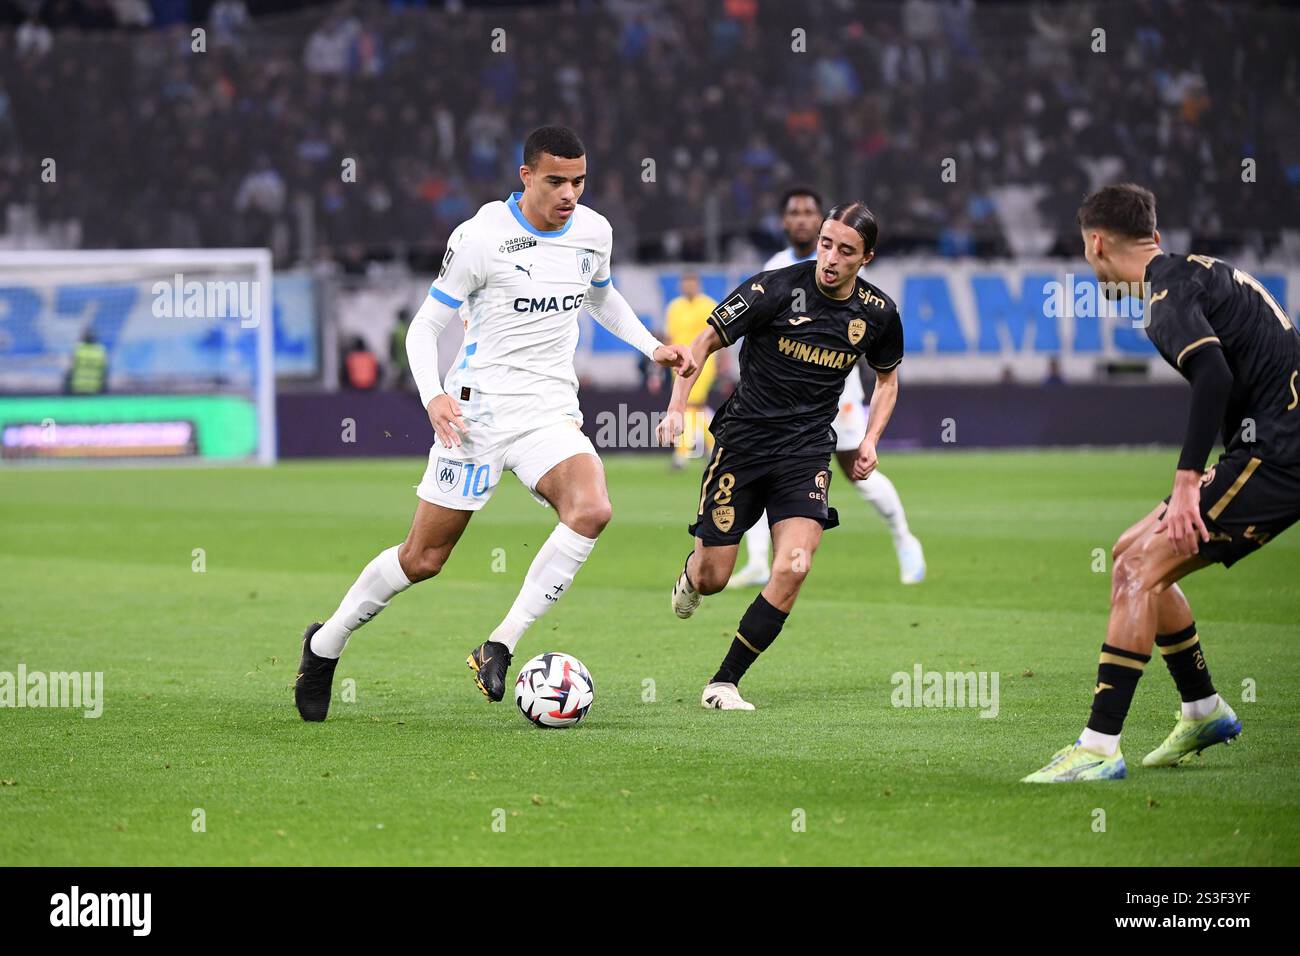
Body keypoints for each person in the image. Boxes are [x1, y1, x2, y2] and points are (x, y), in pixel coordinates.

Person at [294, 126, 695, 721]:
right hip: (476, 414)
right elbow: (424, 328)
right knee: (423, 560)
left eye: (579, 181)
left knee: (592, 510)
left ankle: (499, 644)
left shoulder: (594, 232)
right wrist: (431, 396)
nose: (569, 194)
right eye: (556, 180)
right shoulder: (481, 238)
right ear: (526, 176)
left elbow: (601, 297)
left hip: (549, 411)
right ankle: (325, 645)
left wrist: (652, 346)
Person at [1023, 183, 1300, 782]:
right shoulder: (1198, 271)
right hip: (1267, 446)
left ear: (1096, 243)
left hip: (1277, 459)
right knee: (1129, 553)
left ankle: (1098, 749)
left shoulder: (1165, 298)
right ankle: (1203, 709)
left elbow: (1214, 375)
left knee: (1134, 571)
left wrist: (1184, 484)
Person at [658, 201, 904, 710]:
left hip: (806, 450)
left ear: (867, 258)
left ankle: (724, 682)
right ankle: (691, 575)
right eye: (826, 243)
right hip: (743, 444)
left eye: (846, 251)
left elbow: (887, 380)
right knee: (714, 576)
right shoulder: (772, 288)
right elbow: (703, 341)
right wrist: (678, 407)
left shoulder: (877, 315)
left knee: (793, 566)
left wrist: (872, 440)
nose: (831, 257)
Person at [729, 187, 924, 587]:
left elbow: (866, 331)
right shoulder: (777, 267)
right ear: (786, 222)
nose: (801, 219)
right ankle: (757, 561)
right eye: (794, 213)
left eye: (809, 212)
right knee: (758, 468)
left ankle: (904, 539)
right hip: (777, 400)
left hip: (836, 394)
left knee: (857, 473)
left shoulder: (847, 265)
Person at [662, 271, 718, 468]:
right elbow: (669, 336)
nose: (688, 287)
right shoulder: (674, 307)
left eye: (691, 283)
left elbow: (716, 336)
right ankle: (714, 447)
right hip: (678, 363)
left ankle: (682, 454)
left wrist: (721, 363)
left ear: (698, 284)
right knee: (694, 408)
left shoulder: (708, 305)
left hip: (702, 362)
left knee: (691, 405)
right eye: (685, 283)